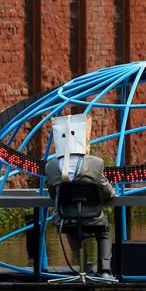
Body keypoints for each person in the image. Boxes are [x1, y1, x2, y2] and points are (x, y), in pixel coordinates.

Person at [46, 113, 116, 280]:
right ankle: (105, 270)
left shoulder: (52, 166)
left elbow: (53, 194)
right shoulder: (95, 163)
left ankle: (85, 268)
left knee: (71, 228)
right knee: (104, 230)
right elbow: (108, 193)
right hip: (92, 218)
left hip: (66, 219)